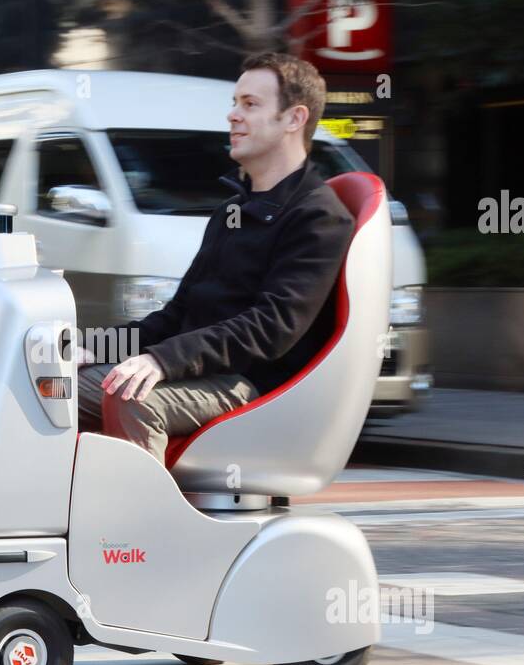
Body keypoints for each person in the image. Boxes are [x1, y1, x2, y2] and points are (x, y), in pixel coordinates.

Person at [76, 52, 356, 464]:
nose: (232, 116)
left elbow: (269, 329)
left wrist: (163, 360)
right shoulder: (233, 210)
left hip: (254, 383)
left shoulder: (318, 216)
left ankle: (137, 525)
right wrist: (90, 346)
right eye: (234, 103)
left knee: (131, 396)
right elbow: (175, 317)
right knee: (52, 384)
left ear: (294, 119)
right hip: (203, 372)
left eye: (250, 104)